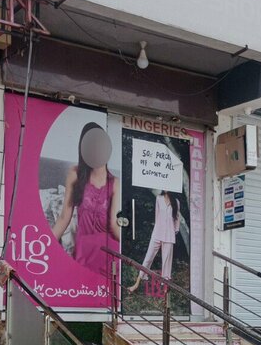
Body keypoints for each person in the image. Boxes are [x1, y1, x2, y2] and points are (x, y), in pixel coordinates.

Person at [51, 122, 121, 280]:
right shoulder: (75, 174)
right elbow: (64, 218)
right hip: (84, 251)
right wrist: (45, 245)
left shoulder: (114, 183)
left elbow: (114, 225)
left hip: (109, 252)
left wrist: (129, 247)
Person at [128, 191, 180, 292]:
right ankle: (137, 283)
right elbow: (157, 217)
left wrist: (175, 230)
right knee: (148, 257)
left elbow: (176, 218)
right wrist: (157, 229)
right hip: (157, 233)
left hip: (169, 235)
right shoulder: (159, 199)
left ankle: (165, 289)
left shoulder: (176, 202)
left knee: (166, 263)